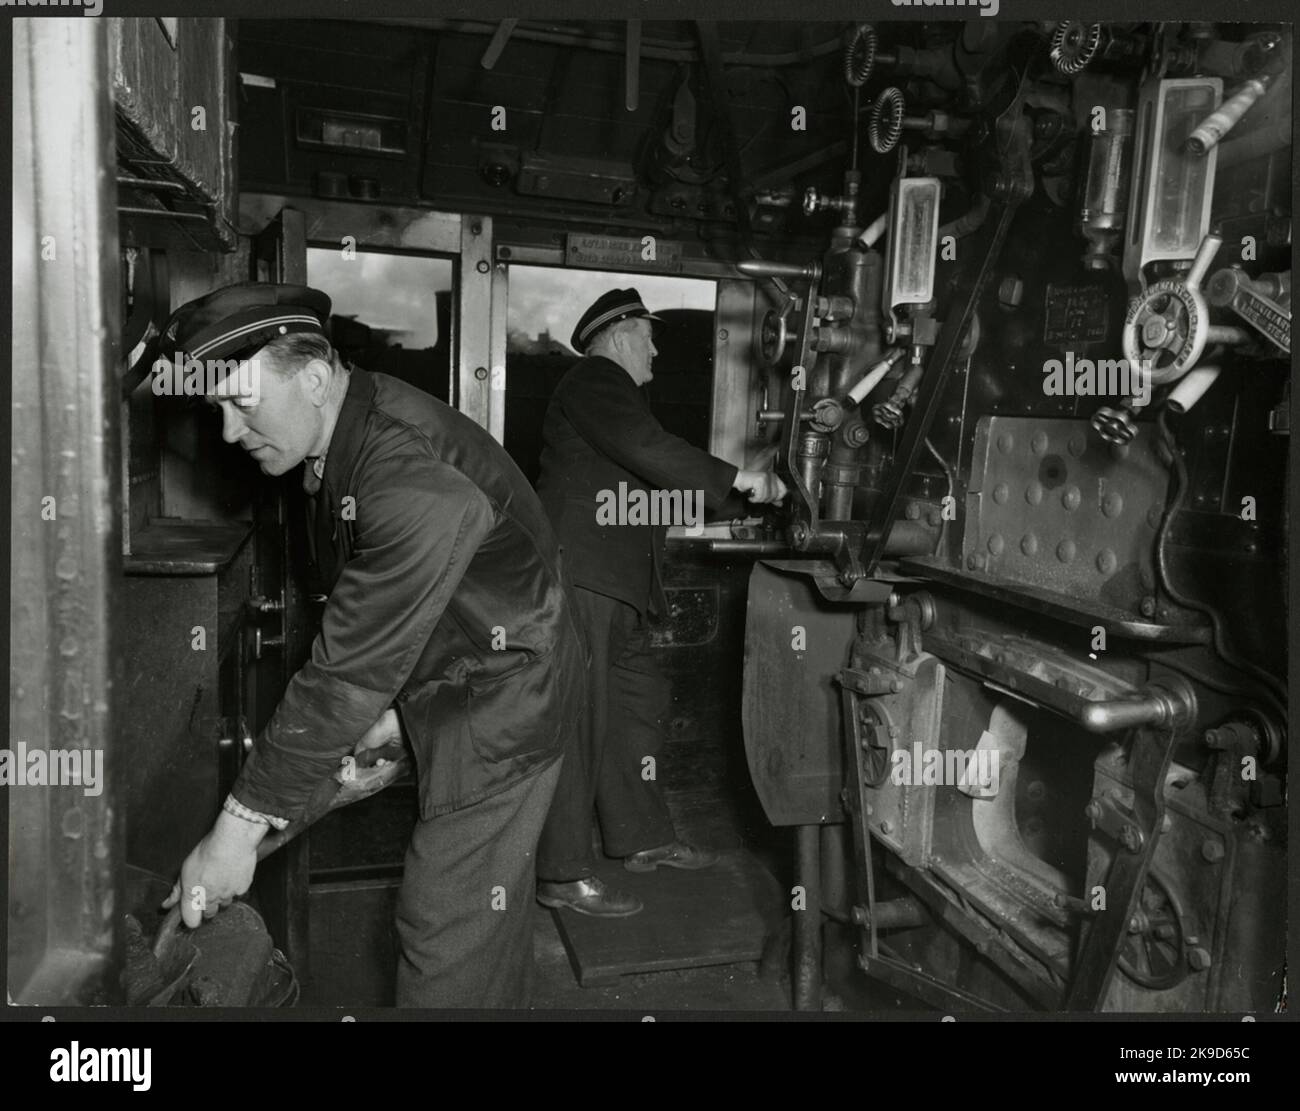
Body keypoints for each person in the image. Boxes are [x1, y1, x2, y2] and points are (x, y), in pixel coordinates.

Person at [159, 282, 586, 1007]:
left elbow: (349, 664)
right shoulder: (340, 445)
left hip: (505, 697)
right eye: (217, 409)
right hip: (459, 672)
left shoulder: (397, 468)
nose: (229, 433)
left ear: (317, 378)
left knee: (446, 923)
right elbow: (393, 615)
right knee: (479, 929)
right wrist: (388, 720)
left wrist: (236, 830)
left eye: (241, 401)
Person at [534, 288, 786, 917]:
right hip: (583, 582)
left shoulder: (616, 404)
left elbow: (648, 492)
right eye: (649, 335)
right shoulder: (594, 380)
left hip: (615, 588)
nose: (654, 348)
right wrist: (740, 478)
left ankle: (641, 837)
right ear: (618, 335)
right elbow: (651, 451)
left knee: (631, 710)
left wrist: (743, 506)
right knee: (583, 722)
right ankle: (561, 875)